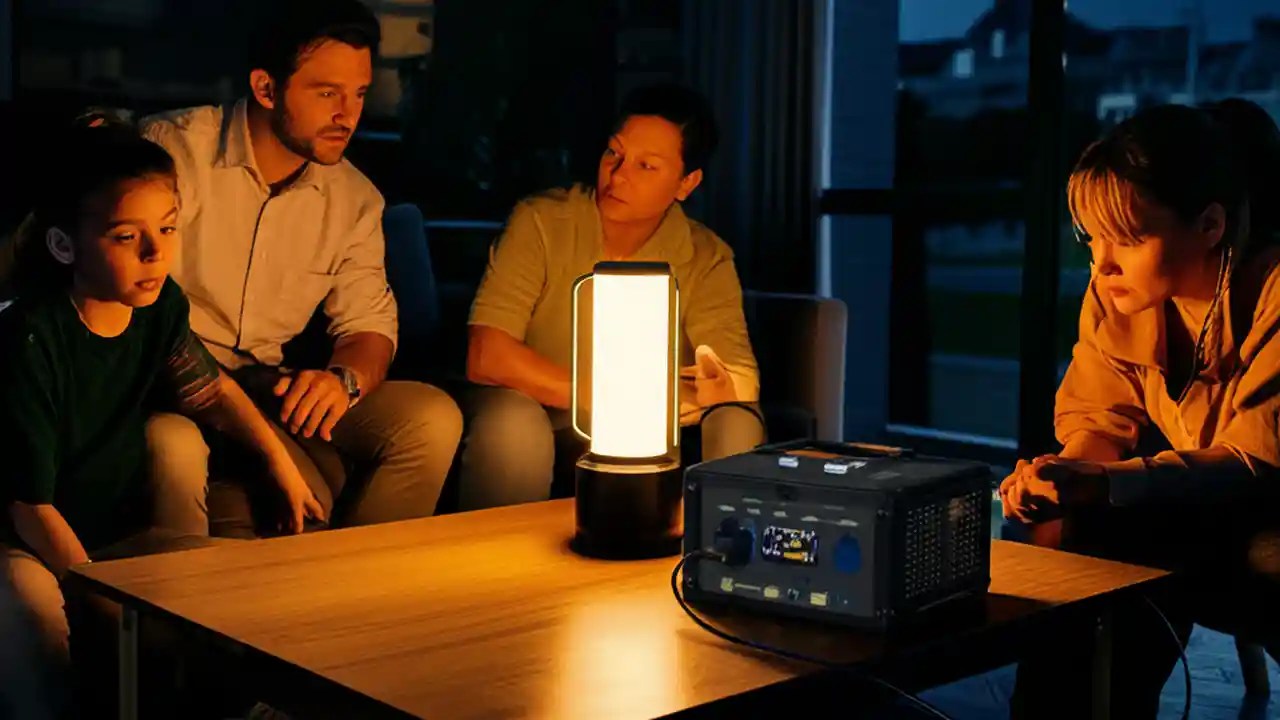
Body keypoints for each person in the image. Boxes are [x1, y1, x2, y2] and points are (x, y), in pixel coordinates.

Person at [0, 117, 320, 719]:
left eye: (167, 229)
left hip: (110, 528)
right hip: (26, 540)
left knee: (226, 589)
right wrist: (107, 595)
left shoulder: (158, 305)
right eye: (126, 237)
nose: (155, 253)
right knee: (29, 603)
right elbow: (29, 508)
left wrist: (279, 462)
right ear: (65, 245)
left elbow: (210, 388)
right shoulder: (32, 339)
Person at [1000, 99, 1280, 719]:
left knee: (1148, 530)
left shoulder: (1273, 291)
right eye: (1090, 236)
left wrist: (1105, 484)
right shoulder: (1119, 291)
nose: (1100, 261)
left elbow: (1258, 459)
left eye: (1127, 237)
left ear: (1210, 225)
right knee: (1073, 526)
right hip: (1213, 506)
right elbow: (1098, 417)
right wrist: (1066, 477)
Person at [138, 0, 462, 536]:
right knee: (297, 499)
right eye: (327, 92)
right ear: (266, 89)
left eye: (358, 93)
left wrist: (343, 381)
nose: (349, 115)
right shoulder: (175, 154)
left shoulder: (354, 199)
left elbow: (369, 327)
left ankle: (365, 590)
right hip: (175, 380)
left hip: (270, 382)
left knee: (430, 418)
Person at [458, 83, 765, 511]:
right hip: (540, 413)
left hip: (652, 432)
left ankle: (718, 563)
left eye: (646, 166)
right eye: (613, 154)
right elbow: (488, 353)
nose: (618, 176)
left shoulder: (703, 256)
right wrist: (602, 397)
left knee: (736, 419)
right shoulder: (544, 223)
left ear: (686, 182)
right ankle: (495, 570)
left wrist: (700, 393)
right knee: (513, 425)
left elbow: (736, 377)